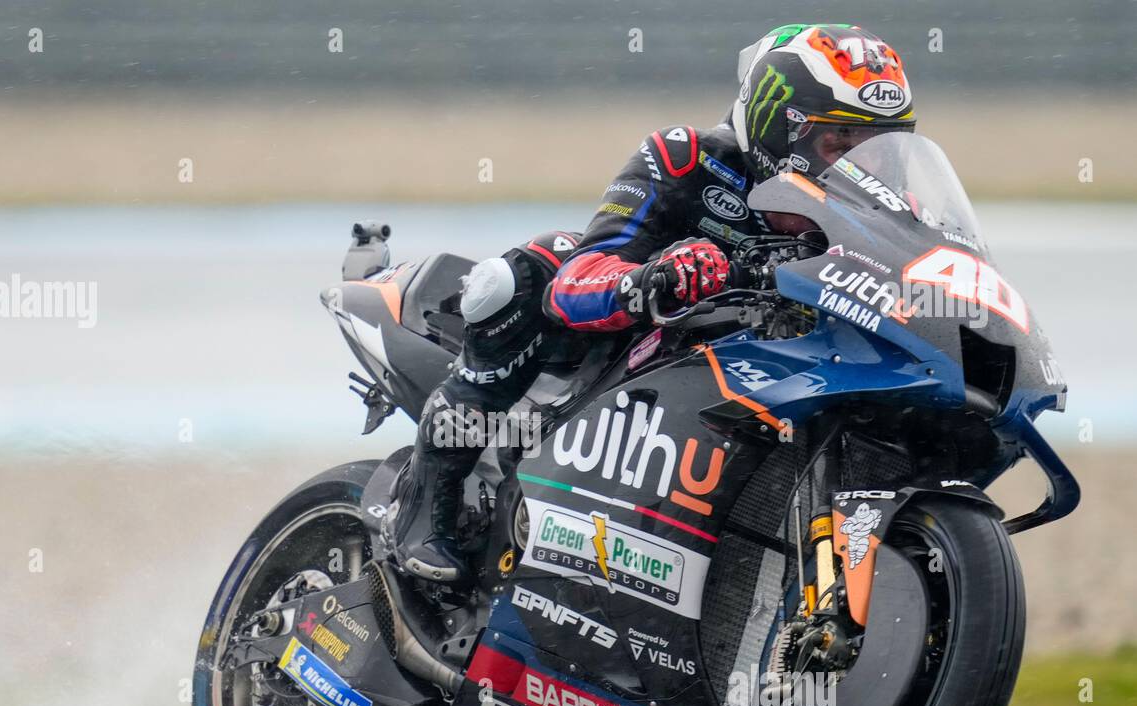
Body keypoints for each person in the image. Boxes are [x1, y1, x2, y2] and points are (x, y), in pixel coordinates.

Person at [384, 23, 917, 582]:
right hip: (629, 357)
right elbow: (575, 282)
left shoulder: (887, 212)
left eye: (881, 149)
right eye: (839, 144)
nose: (860, 168)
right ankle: (428, 507)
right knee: (525, 271)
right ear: (776, 129)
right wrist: (657, 278)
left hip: (762, 384)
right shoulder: (685, 158)